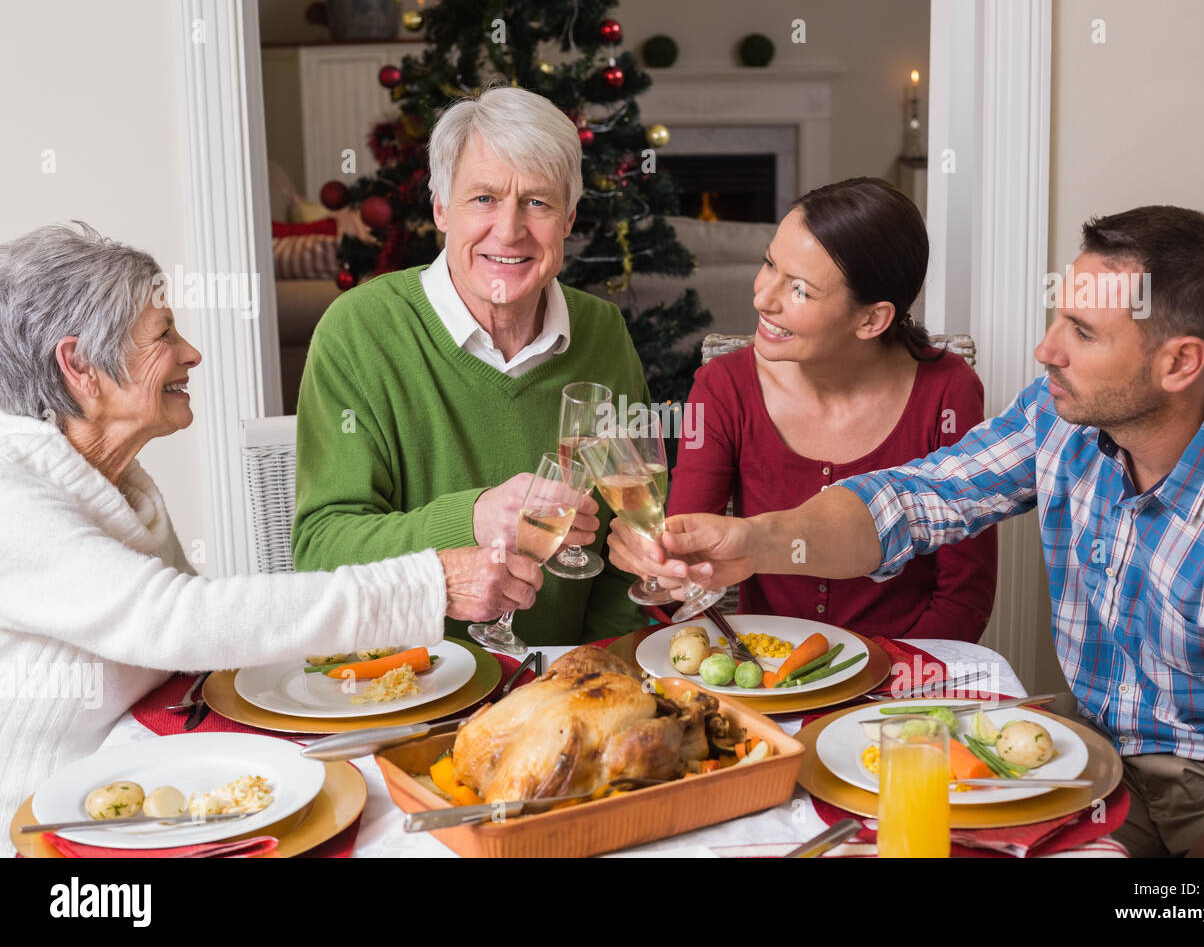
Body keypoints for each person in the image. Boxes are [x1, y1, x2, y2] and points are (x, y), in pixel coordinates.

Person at [620, 205, 1204, 856]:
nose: (1046, 349)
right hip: (1086, 748)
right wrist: (758, 542)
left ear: (1180, 363)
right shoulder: (1060, 417)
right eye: (1057, 316)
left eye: (1083, 332)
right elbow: (915, 500)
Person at [0, 223, 543, 853]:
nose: (191, 353)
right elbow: (174, 619)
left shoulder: (122, 484)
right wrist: (428, 583)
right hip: (41, 828)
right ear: (81, 366)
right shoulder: (12, 492)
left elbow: (197, 647)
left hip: (141, 786)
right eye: (162, 335)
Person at [292, 84, 649, 645]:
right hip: (410, 683)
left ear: (569, 218)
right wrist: (473, 519)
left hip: (565, 687)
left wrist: (605, 664)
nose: (508, 231)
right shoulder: (359, 331)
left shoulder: (602, 331)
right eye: (483, 199)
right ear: (441, 209)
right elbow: (321, 551)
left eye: (537, 202)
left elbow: (627, 544)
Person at [608, 177, 996, 639]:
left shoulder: (947, 392)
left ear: (872, 318)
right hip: (762, 672)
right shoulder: (722, 387)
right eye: (769, 263)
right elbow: (684, 587)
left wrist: (899, 688)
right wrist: (660, 567)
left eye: (799, 289)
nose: (763, 298)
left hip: (900, 688)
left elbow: (963, 594)